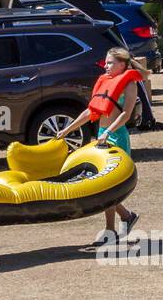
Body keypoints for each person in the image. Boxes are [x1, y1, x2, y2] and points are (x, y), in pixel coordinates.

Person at [55, 46, 144, 244]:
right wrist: (68, 130)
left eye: (110, 62)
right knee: (104, 184)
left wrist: (109, 132)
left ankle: (111, 230)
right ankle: (126, 217)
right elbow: (90, 111)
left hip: (116, 136)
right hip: (101, 135)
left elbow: (126, 114)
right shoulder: (105, 82)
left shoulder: (130, 84)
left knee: (108, 186)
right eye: (106, 62)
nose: (106, 66)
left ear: (122, 64)